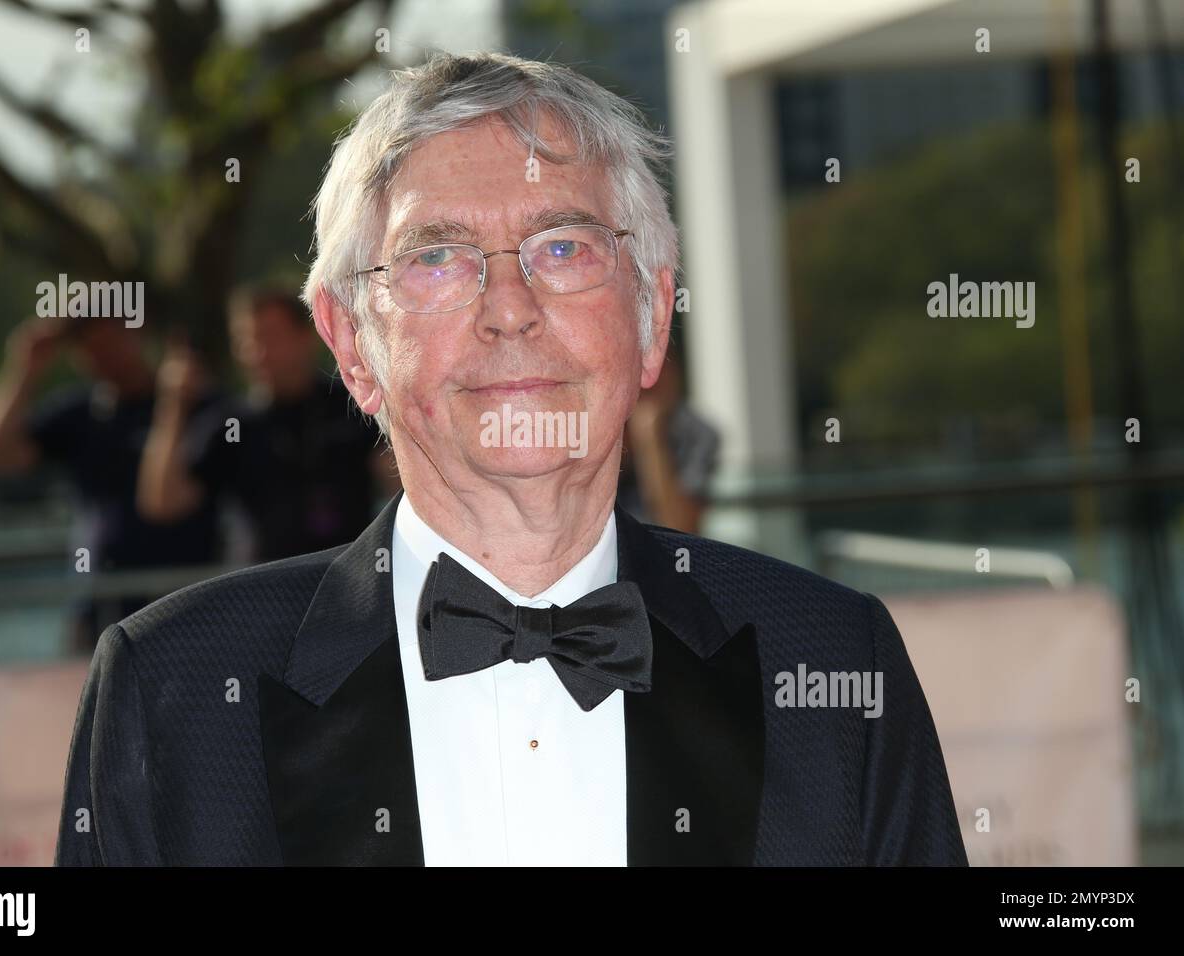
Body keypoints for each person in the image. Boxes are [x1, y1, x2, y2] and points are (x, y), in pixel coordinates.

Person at [55, 53, 966, 866]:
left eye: (563, 248)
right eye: (438, 259)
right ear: (354, 347)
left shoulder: (836, 664)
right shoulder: (168, 691)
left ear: (653, 318)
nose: (509, 308)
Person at [0, 314, 222, 653]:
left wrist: (174, 406)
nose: (102, 355)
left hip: (186, 603)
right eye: (88, 347)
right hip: (97, 608)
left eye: (110, 340)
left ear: (139, 333)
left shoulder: (198, 406)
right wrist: (25, 369)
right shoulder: (81, 412)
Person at [137, 286, 388, 564]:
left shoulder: (355, 403)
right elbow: (162, 503)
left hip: (349, 573)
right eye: (246, 341)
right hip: (266, 582)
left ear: (309, 335)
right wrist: (173, 405)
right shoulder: (233, 425)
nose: (257, 353)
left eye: (271, 337)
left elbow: (399, 484)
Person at [618, 347, 720, 533]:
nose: (648, 382)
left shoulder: (696, 433)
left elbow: (680, 527)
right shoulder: (595, 424)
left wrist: (651, 442)